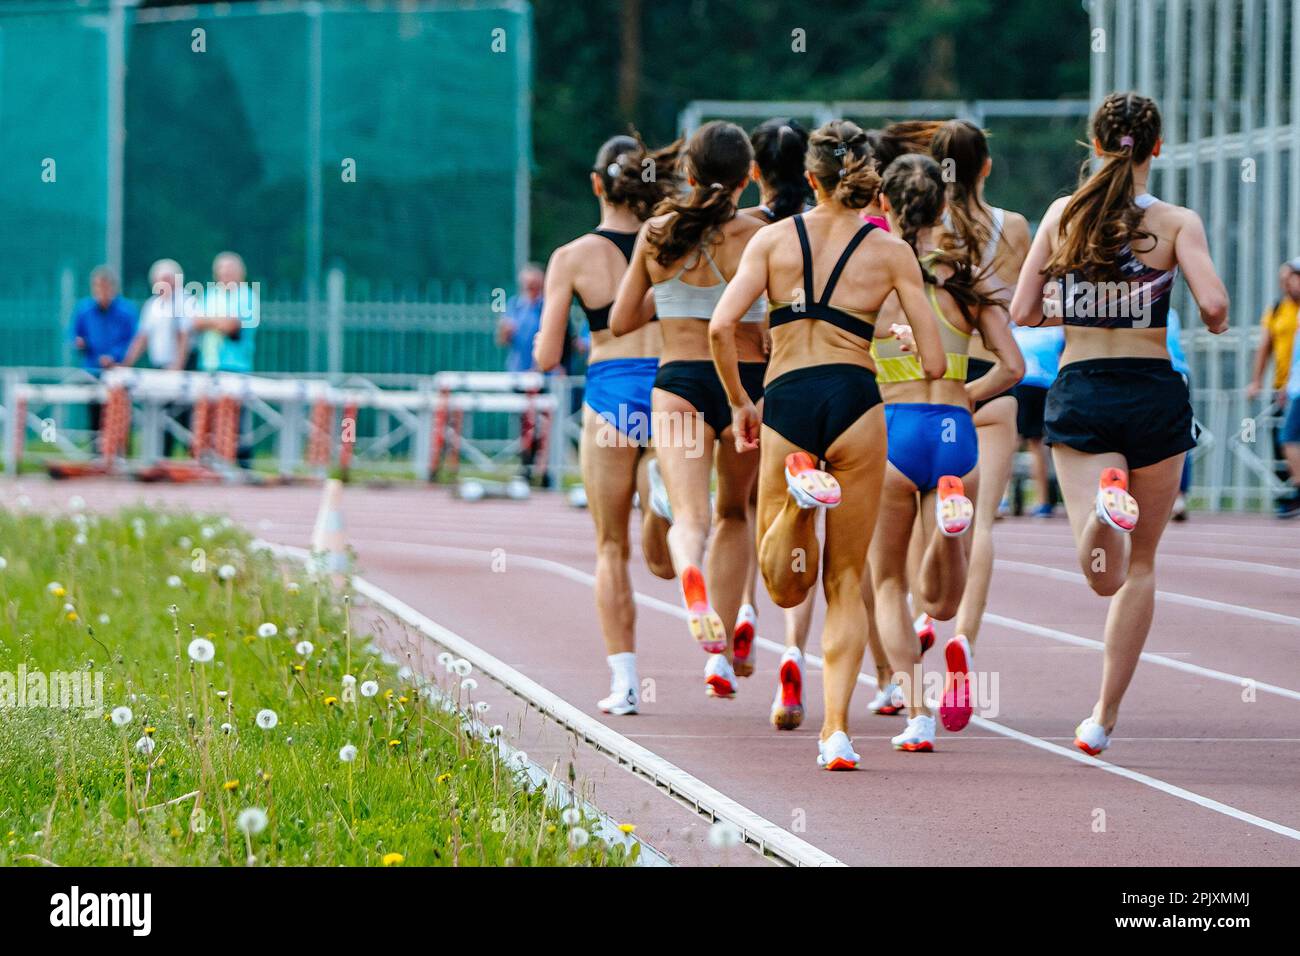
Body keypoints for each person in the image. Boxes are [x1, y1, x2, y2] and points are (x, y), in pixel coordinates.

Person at [711, 119, 947, 770]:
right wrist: (891, 338)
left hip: (786, 399)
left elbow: (721, 325)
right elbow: (932, 359)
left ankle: (794, 506)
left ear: (809, 178)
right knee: (847, 580)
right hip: (855, 401)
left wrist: (740, 404)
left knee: (784, 585)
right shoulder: (891, 252)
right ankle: (836, 733)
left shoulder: (773, 240)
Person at [1009, 92, 1229, 755]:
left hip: (1083, 391)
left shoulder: (1062, 214)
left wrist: (1077, 304)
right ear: (1156, 148)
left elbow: (1022, 309)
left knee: (1102, 571)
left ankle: (1108, 508)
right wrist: (1174, 302)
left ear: (1094, 144)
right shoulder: (1176, 222)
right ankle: (1102, 717)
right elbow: (1215, 307)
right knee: (1140, 571)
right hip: (1155, 393)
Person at [867, 153, 1019, 753]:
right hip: (955, 430)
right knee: (943, 600)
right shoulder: (966, 279)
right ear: (943, 206)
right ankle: (946, 533)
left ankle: (918, 714)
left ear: (884, 206)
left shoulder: (872, 277)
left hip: (892, 429)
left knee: (886, 585)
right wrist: (961, 396)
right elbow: (1013, 366)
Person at [611, 120, 766, 700]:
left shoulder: (656, 232)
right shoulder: (762, 233)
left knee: (690, 515)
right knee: (734, 513)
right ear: (749, 177)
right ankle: (720, 660)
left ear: (690, 173)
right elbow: (776, 314)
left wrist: (671, 288)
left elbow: (622, 320)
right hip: (744, 385)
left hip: (678, 380)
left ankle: (689, 578)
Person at [532, 133, 677, 714]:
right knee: (664, 555)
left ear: (596, 184)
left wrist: (570, 331)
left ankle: (625, 684)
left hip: (612, 393)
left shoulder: (571, 258)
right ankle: (659, 504)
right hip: (671, 388)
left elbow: (545, 356)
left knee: (609, 546)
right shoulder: (671, 244)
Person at [123, 258, 199, 458]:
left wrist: (178, 366)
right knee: (161, 415)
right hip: (160, 365)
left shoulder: (185, 301)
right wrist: (126, 363)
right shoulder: (152, 305)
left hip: (182, 367)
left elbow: (185, 335)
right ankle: (160, 458)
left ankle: (193, 459)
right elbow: (142, 337)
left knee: (185, 416)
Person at [1247, 260, 1300, 514]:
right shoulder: (1278, 309)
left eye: (1294, 277)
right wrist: (1257, 380)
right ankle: (1288, 493)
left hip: (1295, 386)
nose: (1291, 282)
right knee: (1281, 442)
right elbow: (1264, 347)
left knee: (1290, 437)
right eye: (1288, 278)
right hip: (1283, 387)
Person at [196, 252, 258, 467]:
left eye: (230, 270)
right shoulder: (210, 295)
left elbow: (231, 325)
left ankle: (241, 464)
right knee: (209, 419)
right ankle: (209, 463)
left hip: (235, 366)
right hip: (209, 364)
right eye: (222, 270)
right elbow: (196, 321)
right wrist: (218, 322)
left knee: (236, 421)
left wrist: (211, 321)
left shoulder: (246, 296)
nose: (226, 275)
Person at [69, 265, 138, 442]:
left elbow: (132, 339)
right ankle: (95, 454)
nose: (101, 291)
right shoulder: (84, 310)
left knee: (119, 414)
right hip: (93, 369)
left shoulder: (126, 311)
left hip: (118, 371)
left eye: (105, 287)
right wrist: (79, 342)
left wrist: (115, 357)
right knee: (95, 413)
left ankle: (119, 453)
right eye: (97, 287)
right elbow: (74, 333)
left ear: (113, 287)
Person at [1012, 323, 1066, 515]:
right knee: (1034, 445)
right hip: (1036, 385)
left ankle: (1036, 501)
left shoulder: (1017, 330)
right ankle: (1040, 501)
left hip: (1032, 385)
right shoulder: (1056, 331)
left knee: (1017, 443)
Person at [498, 265, 545, 373]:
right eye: (528, 284)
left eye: (534, 284)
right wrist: (504, 331)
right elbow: (502, 340)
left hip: (544, 372)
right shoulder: (513, 304)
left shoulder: (547, 306)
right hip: (517, 370)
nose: (530, 287)